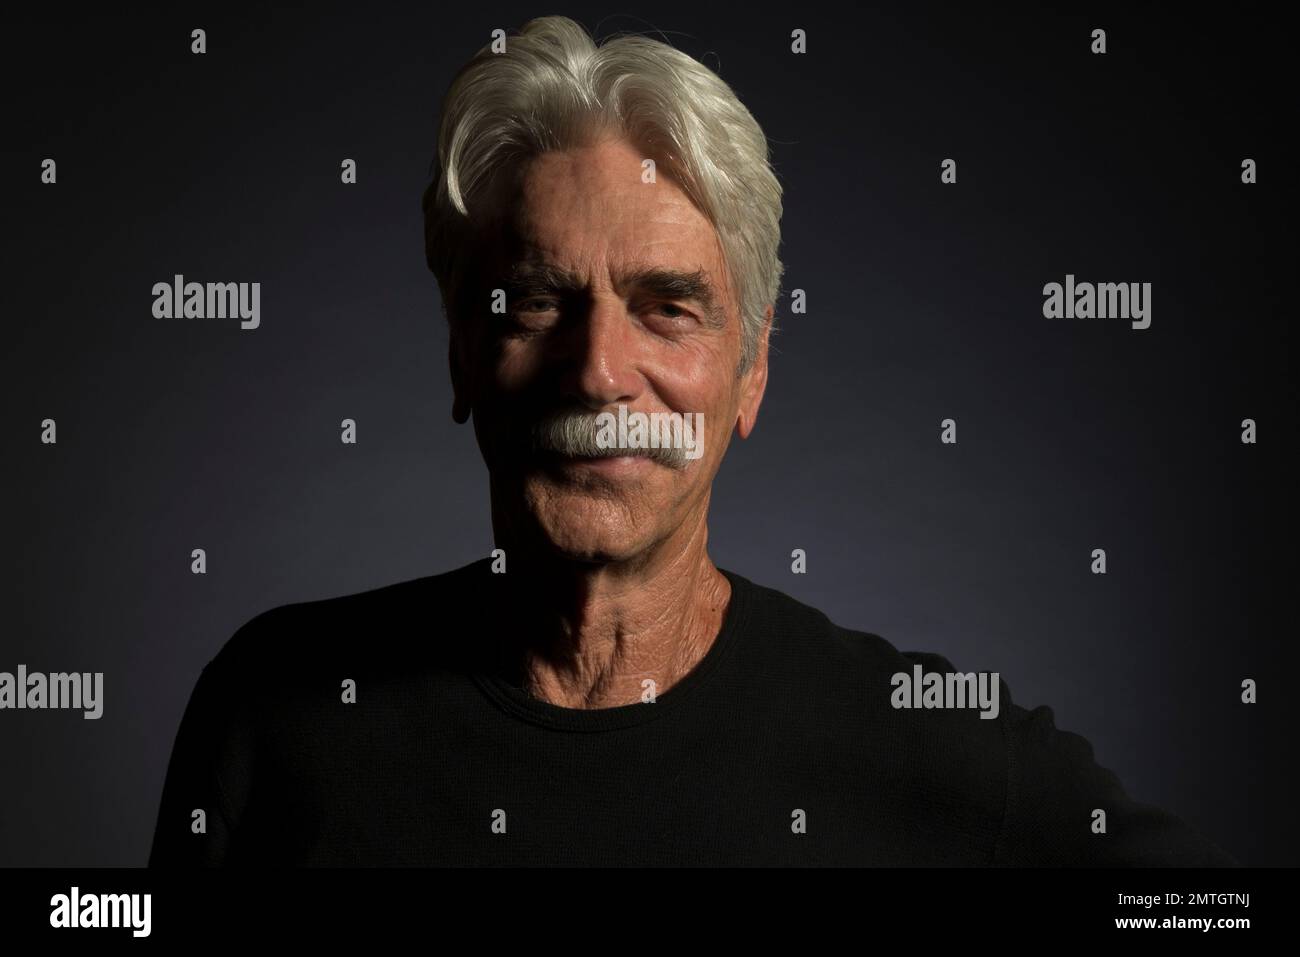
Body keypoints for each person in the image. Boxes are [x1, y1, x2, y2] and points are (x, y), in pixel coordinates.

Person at [149, 15, 1233, 866]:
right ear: (460, 358)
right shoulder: (277, 711)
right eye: (533, 301)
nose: (598, 371)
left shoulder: (927, 751)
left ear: (750, 371)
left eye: (667, 307)